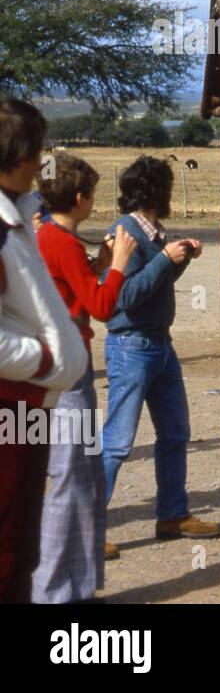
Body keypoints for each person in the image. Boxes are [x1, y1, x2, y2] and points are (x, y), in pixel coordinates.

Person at [33, 152, 137, 600]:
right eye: (93, 195)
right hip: (69, 377)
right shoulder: (62, 242)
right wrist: (117, 266)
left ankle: (80, 582)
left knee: (86, 477)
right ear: (81, 198)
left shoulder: (49, 238)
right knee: (72, 482)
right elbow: (99, 307)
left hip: (66, 372)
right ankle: (59, 591)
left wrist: (100, 263)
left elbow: (73, 286)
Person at [100, 156, 218, 542]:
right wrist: (165, 259)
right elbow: (126, 297)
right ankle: (88, 529)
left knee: (174, 433)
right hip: (131, 346)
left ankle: (172, 515)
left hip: (159, 346)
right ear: (157, 191)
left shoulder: (151, 232)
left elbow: (156, 286)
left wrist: (178, 259)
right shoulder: (126, 233)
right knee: (118, 442)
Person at [0, 97, 88, 603]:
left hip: (31, 408)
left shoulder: (20, 217)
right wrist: (47, 359)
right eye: (35, 152)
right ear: (17, 156)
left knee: (20, 543)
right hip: (11, 406)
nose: (41, 164)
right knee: (6, 548)